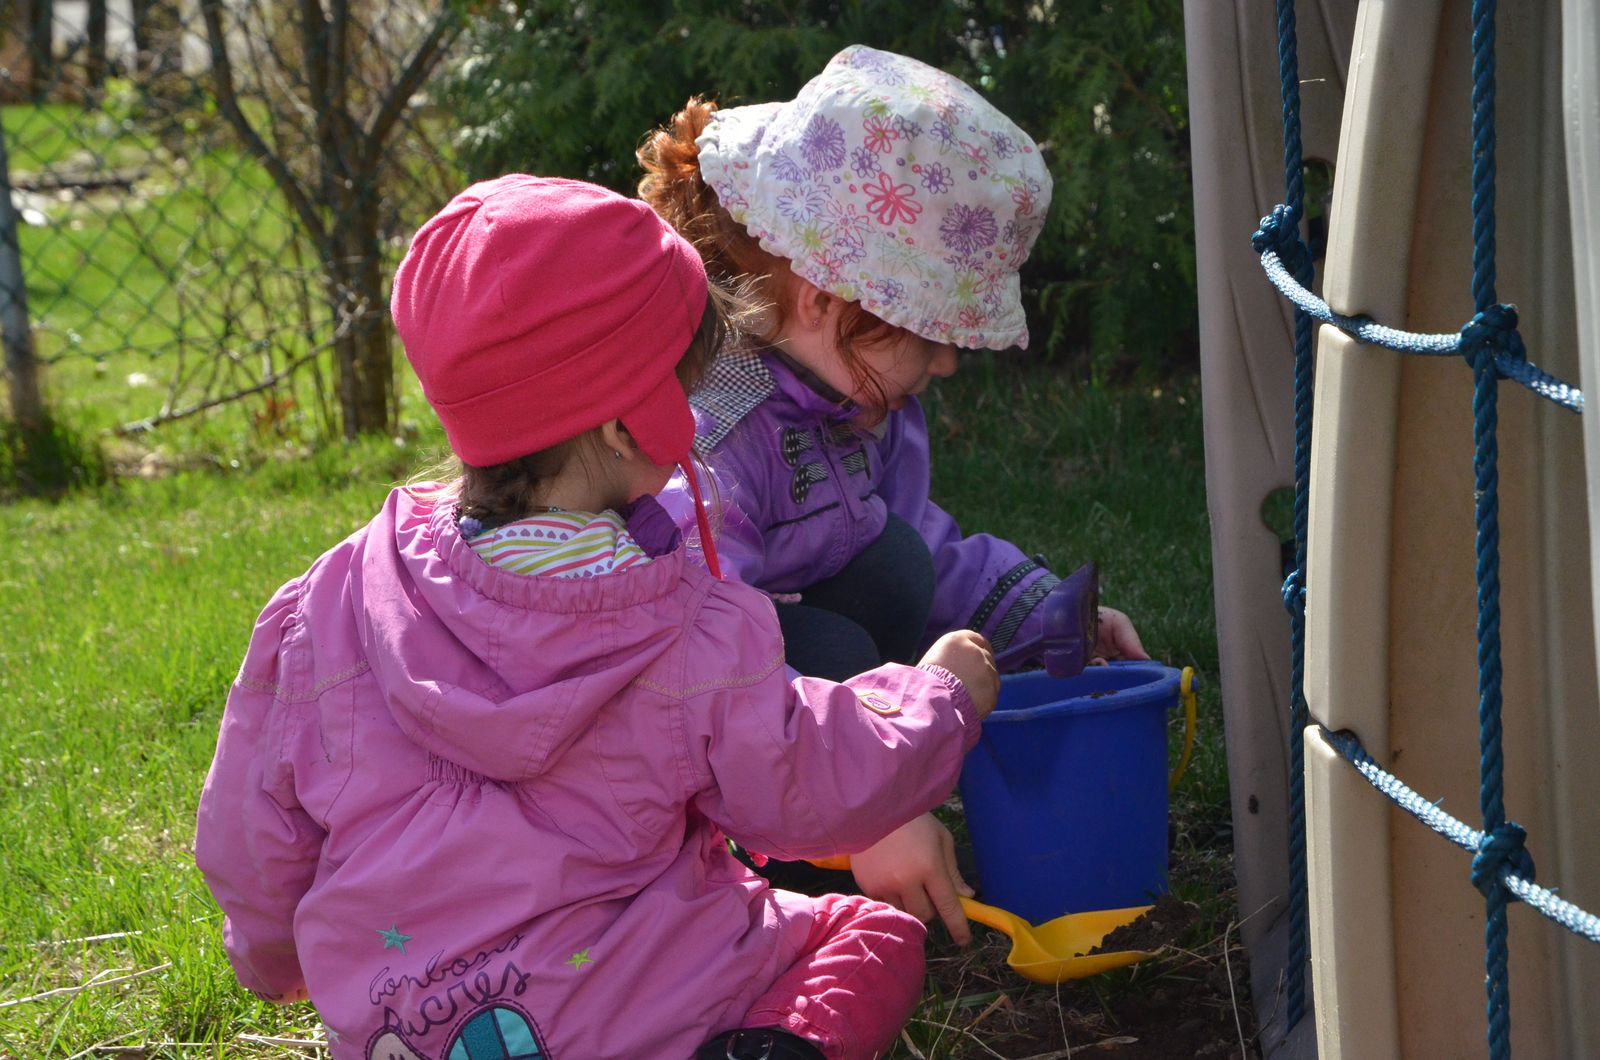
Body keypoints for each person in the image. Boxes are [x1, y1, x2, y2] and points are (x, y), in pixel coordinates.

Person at [194, 175, 1000, 1060]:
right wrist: (940, 697)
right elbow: (810, 777)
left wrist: (274, 963)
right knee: (870, 939)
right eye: (686, 392)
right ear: (627, 427)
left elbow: (250, 835)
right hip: (644, 1015)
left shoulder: (328, 601)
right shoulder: (674, 622)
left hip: (410, 1032)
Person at [638, 45, 1147, 941]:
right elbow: (698, 663)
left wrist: (1046, 621)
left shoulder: (860, 396)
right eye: (931, 331)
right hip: (689, 715)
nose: (948, 361)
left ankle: (858, 778)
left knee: (895, 562)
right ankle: (794, 858)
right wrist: (863, 810)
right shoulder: (713, 438)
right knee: (831, 643)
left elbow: (920, 540)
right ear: (826, 302)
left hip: (768, 684)